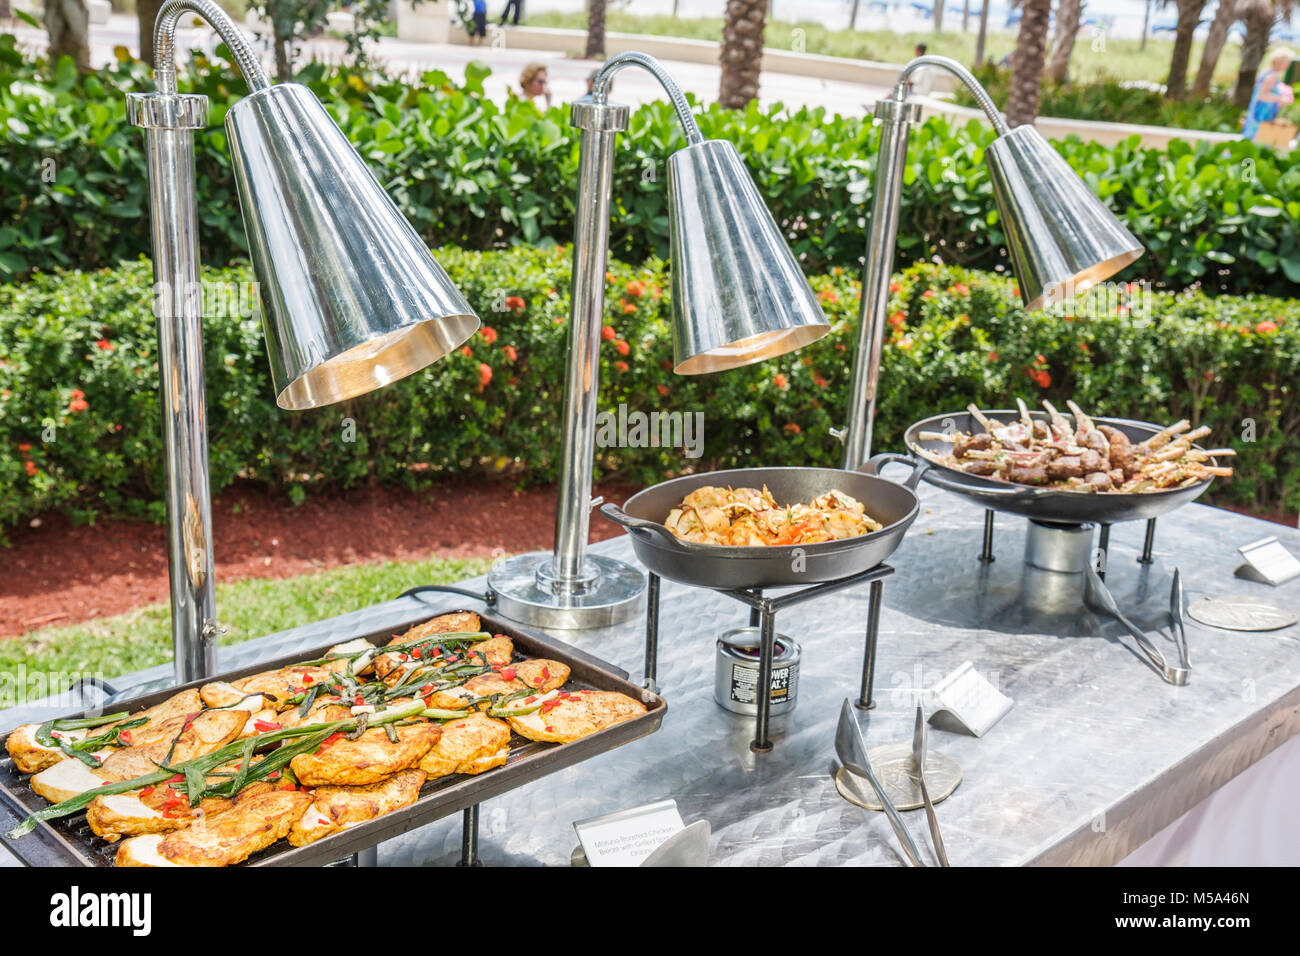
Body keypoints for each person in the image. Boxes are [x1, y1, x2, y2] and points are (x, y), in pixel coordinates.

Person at [1242, 48, 1296, 142]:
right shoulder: (1271, 76)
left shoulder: (1267, 72)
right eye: (1287, 63)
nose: (1288, 66)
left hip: (1259, 112)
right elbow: (1262, 95)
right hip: (1262, 114)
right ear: (1279, 62)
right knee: (1257, 139)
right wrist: (1280, 99)